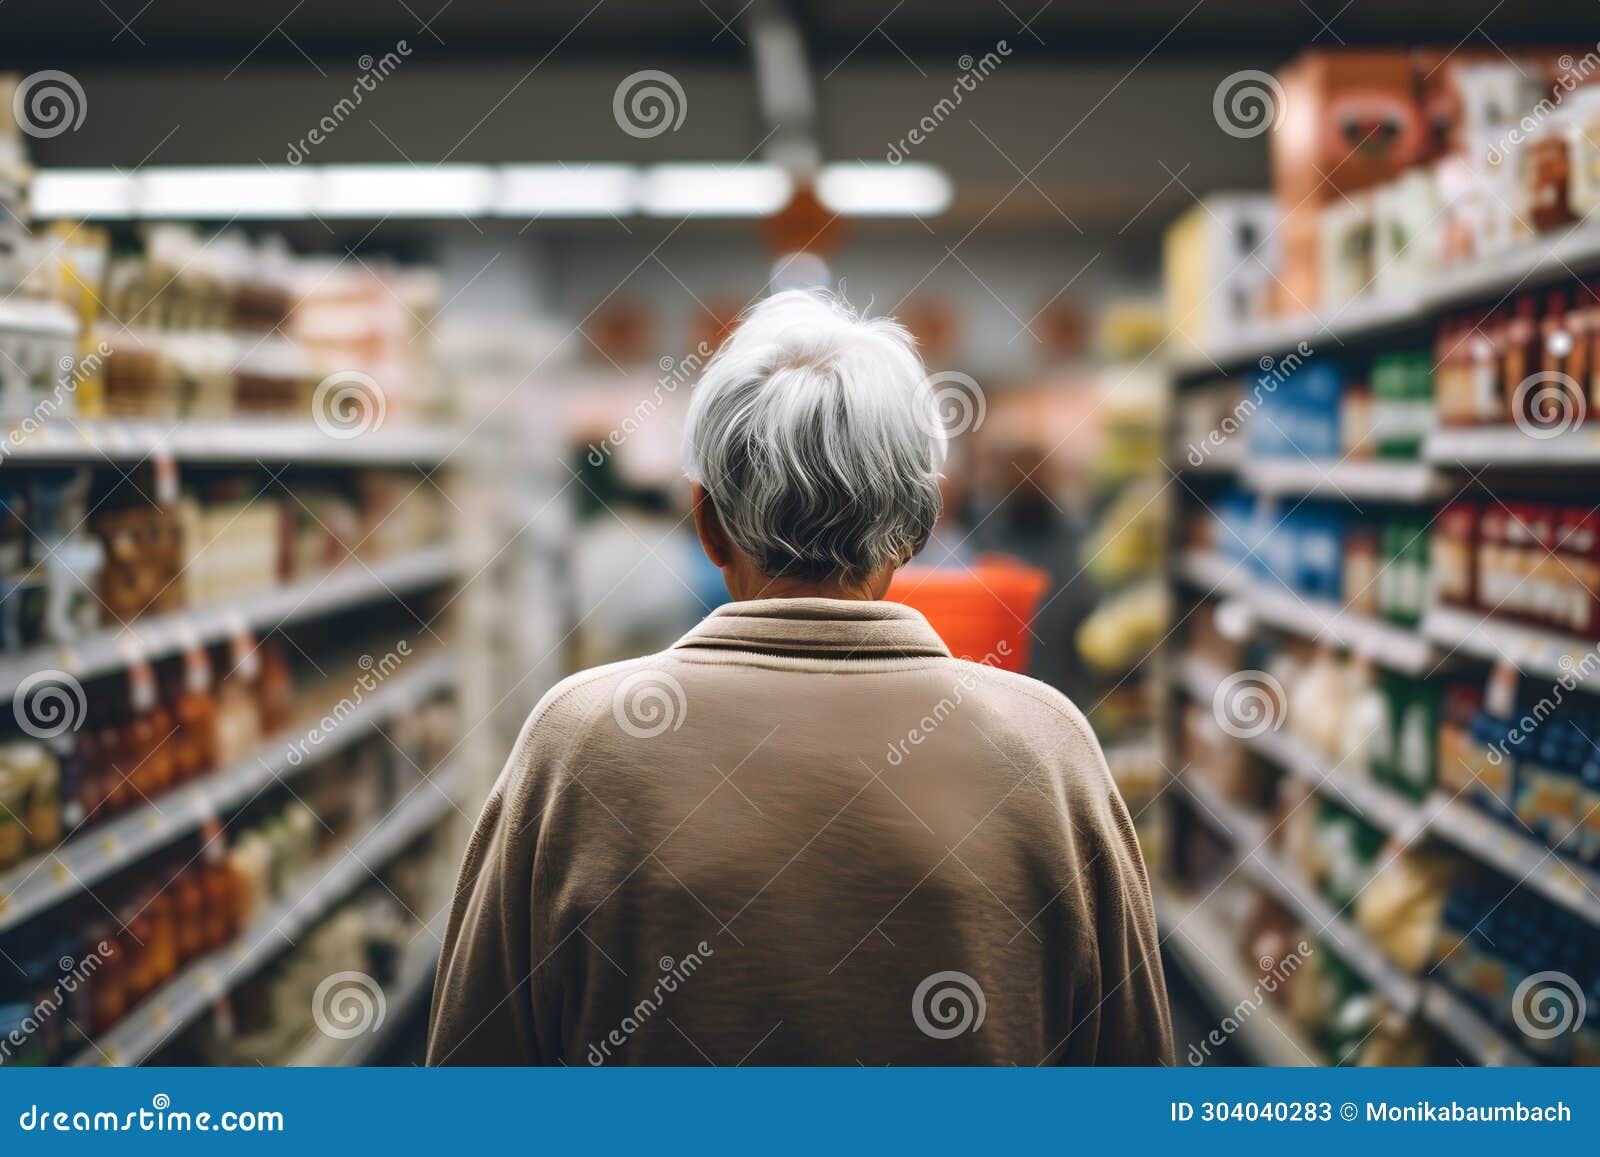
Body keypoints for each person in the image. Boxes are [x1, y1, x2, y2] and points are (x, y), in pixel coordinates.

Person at [427, 289, 1172, 1066]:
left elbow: (470, 1080)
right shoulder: (1047, 748)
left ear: (708, 523)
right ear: (919, 525)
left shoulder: (576, 741)